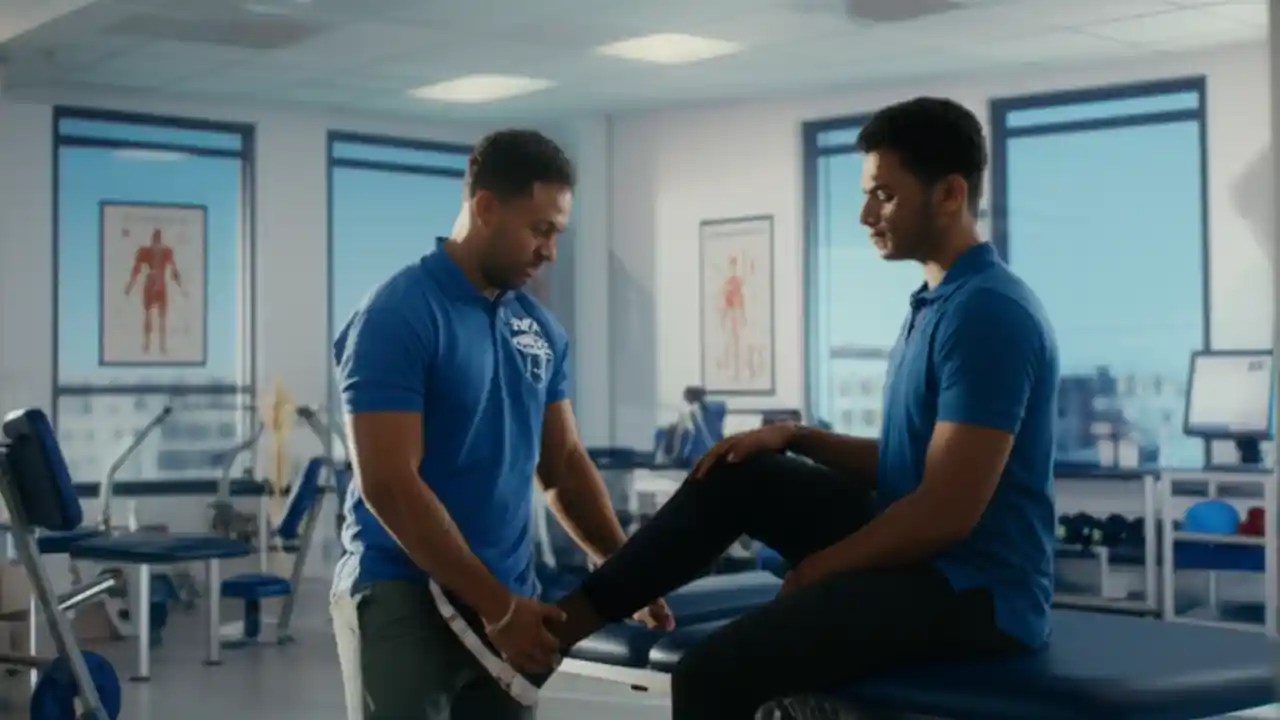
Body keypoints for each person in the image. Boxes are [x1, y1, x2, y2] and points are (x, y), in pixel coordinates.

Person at [543, 96, 1061, 718]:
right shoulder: (937, 302)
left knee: (709, 674)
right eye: (868, 193)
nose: (866, 213)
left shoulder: (989, 313)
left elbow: (946, 510)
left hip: (976, 591)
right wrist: (794, 436)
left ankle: (555, 630)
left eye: (885, 195)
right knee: (742, 473)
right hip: (931, 558)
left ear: (950, 194)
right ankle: (562, 624)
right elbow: (912, 465)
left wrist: (822, 569)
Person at [329, 129, 673, 720]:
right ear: (485, 207)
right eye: (540, 229)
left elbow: (562, 465)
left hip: (510, 595)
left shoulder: (538, 330)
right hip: (404, 595)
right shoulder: (398, 314)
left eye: (557, 233)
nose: (550, 251)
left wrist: (625, 569)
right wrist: (499, 608)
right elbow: (388, 482)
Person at [123, 228, 183, 355]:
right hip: (156, 284)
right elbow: (137, 269)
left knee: (155, 316)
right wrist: (130, 286)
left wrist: (130, 286)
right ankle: (152, 345)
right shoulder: (151, 252)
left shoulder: (159, 252)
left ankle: (156, 345)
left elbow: (174, 270)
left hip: (154, 283)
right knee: (153, 316)